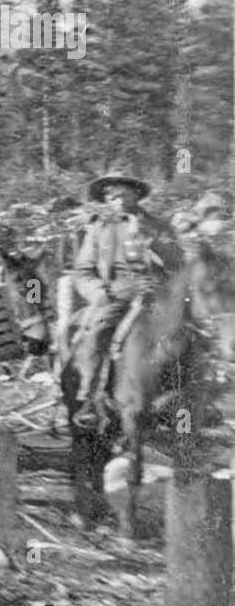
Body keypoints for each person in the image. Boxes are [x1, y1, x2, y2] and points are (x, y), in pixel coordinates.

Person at [69, 172, 182, 429]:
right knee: (99, 331)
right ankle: (89, 396)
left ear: (136, 195)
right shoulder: (100, 229)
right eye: (111, 195)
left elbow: (178, 263)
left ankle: (193, 398)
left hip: (157, 295)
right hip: (117, 295)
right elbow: (82, 271)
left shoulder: (160, 226)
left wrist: (154, 244)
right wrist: (97, 291)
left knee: (191, 335)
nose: (116, 199)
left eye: (122, 194)